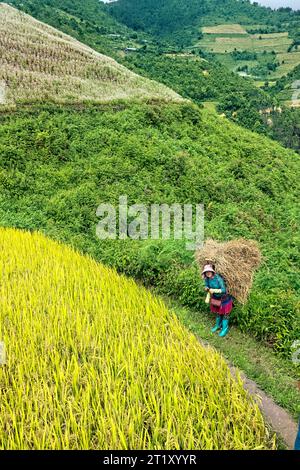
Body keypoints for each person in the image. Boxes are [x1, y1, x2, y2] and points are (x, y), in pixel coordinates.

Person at [202, 264, 233, 337]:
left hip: (224, 298)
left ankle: (225, 328)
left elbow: (224, 290)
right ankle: (217, 325)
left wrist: (214, 290)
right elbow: (206, 285)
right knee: (218, 312)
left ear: (212, 272)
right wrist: (206, 288)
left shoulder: (218, 279)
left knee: (225, 313)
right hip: (216, 298)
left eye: (209, 271)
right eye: (206, 272)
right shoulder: (207, 279)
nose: (208, 273)